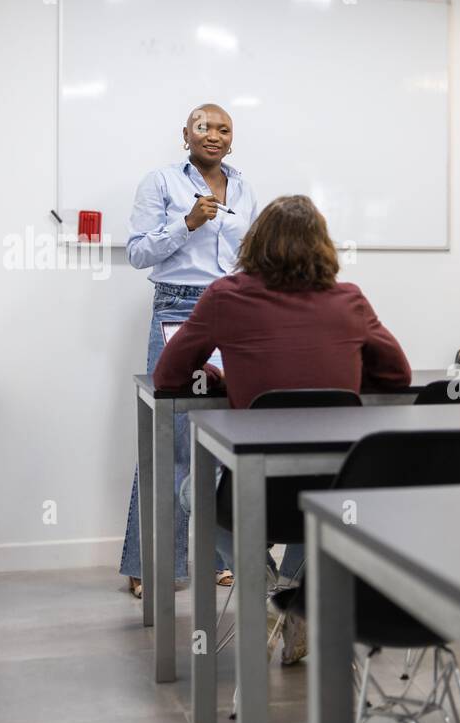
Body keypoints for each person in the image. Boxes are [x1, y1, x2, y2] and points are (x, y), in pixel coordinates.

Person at [155, 194, 412, 663]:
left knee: (194, 489)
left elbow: (168, 378)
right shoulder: (349, 300)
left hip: (252, 490)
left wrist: (216, 378)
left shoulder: (225, 296)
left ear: (254, 243)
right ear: (323, 247)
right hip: (338, 489)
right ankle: (297, 599)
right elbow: (398, 377)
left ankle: (264, 587)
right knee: (315, 489)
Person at [119, 103, 258, 598]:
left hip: (233, 311)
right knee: (173, 440)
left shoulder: (243, 187)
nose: (214, 135)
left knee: (227, 435)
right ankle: (155, 563)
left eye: (224, 129)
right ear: (186, 134)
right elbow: (137, 252)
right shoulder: (160, 182)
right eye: (204, 127)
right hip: (177, 310)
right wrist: (187, 223)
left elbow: (250, 257)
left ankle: (220, 556)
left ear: (232, 139)